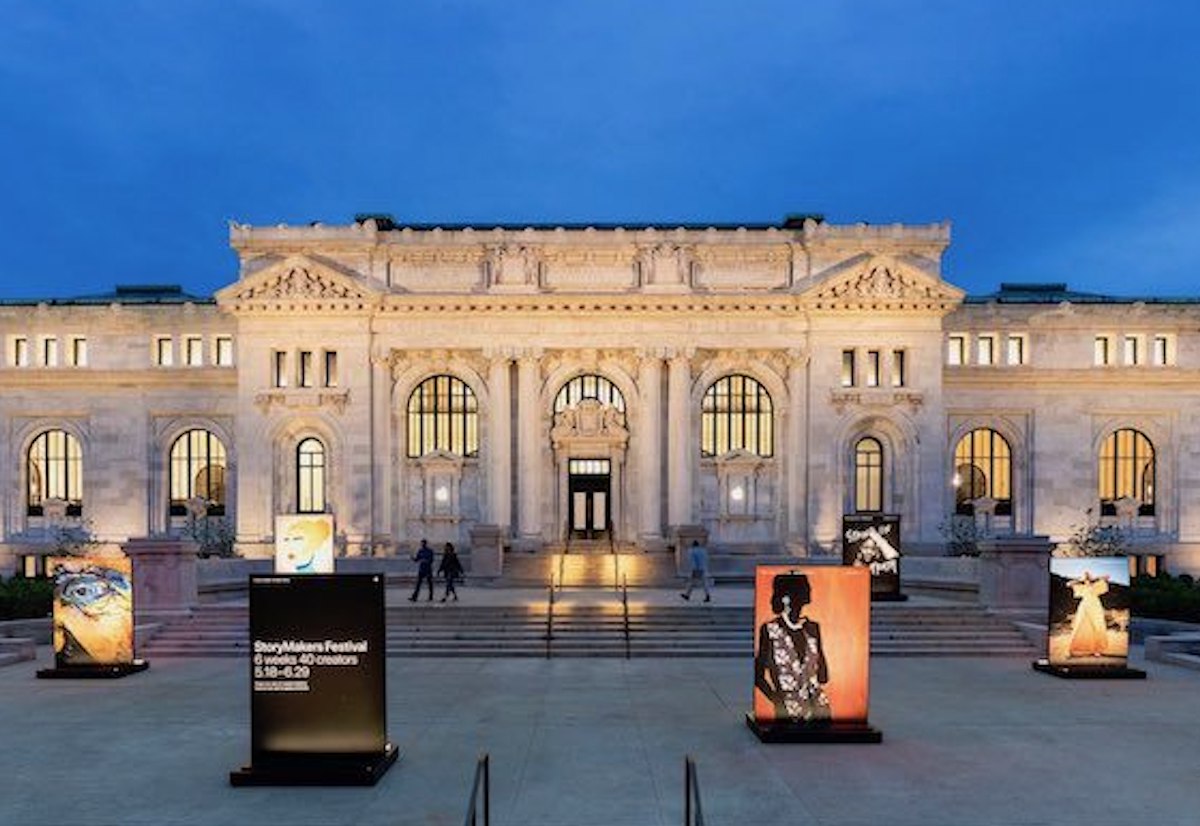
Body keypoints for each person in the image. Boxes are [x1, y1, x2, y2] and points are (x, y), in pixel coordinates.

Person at [754, 572, 831, 723]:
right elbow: (758, 675)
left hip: (820, 712)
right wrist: (776, 699)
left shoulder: (813, 628)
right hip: (787, 714)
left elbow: (824, 675)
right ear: (786, 597)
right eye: (804, 589)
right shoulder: (770, 630)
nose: (809, 592)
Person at [1067, 571, 1110, 657]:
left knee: (1096, 626)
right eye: (1085, 578)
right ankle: (1072, 649)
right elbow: (1068, 584)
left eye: (1088, 577)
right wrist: (1079, 579)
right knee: (1079, 625)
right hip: (1084, 606)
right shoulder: (1081, 587)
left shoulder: (1096, 586)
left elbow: (1107, 577)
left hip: (1095, 606)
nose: (1087, 579)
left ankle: (1097, 650)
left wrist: (1096, 578)